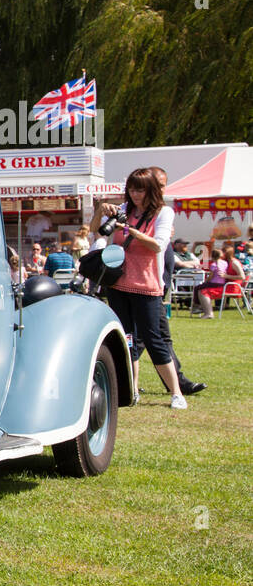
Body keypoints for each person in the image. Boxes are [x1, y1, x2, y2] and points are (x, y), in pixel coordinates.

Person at [104, 168, 186, 408]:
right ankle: (132, 390)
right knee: (126, 338)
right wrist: (102, 213)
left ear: (151, 190)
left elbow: (158, 245)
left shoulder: (163, 212)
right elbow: (97, 235)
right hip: (119, 283)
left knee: (154, 339)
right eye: (131, 188)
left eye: (139, 189)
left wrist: (130, 230)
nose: (135, 194)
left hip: (147, 285)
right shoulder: (123, 210)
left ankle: (176, 393)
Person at [147, 167, 203, 395]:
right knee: (152, 338)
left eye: (163, 185)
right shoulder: (145, 213)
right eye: (157, 185)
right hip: (146, 288)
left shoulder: (162, 212)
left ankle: (175, 382)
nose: (161, 189)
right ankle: (177, 384)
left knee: (152, 338)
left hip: (158, 286)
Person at [195, 244, 246, 318]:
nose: (220, 254)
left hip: (232, 287)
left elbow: (242, 276)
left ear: (227, 253)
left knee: (203, 292)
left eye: (223, 252)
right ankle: (204, 310)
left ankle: (208, 313)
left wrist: (226, 276)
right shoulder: (225, 262)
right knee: (201, 290)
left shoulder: (234, 262)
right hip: (226, 285)